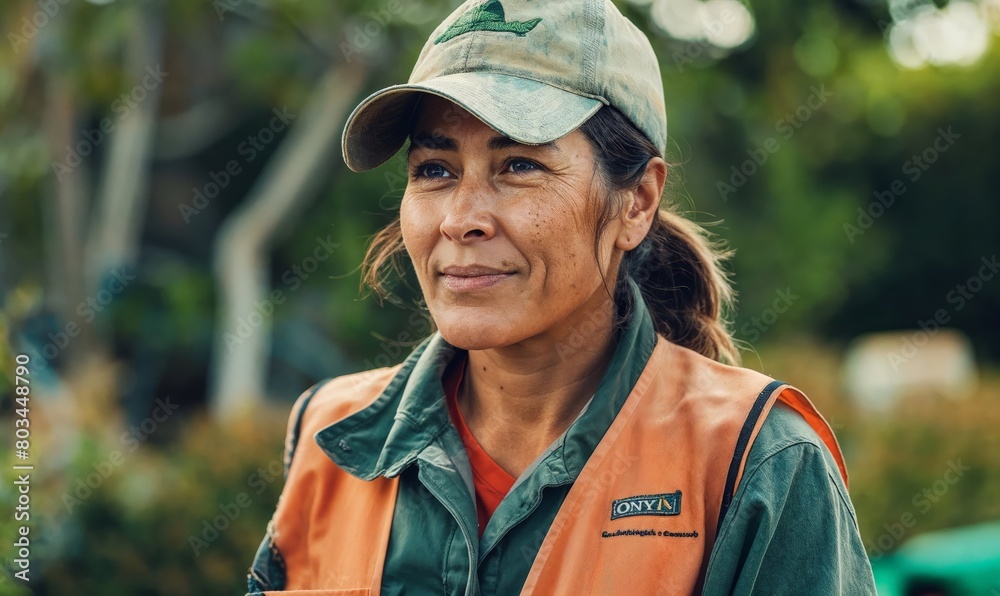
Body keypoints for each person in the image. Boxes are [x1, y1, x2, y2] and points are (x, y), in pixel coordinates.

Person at [247, 1, 877, 594]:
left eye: (519, 164)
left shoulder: (759, 463)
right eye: (434, 170)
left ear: (637, 202)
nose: (461, 218)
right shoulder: (330, 436)